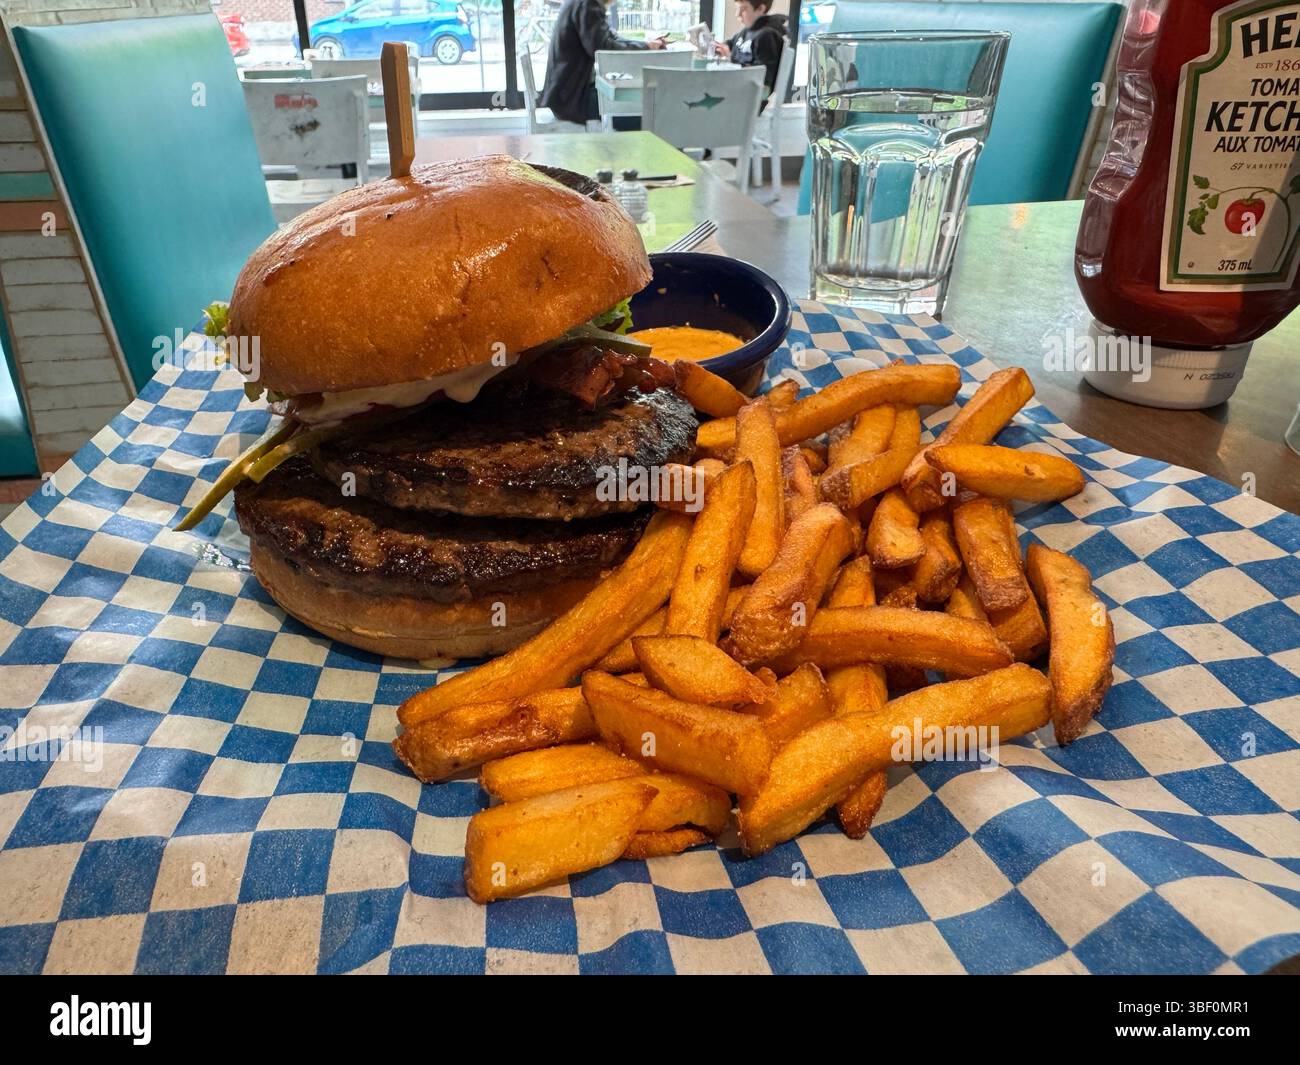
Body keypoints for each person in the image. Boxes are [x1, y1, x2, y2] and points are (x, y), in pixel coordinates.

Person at [540, 0, 667, 126]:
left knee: (651, 113)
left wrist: (647, 44)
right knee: (654, 118)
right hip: (573, 99)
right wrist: (646, 47)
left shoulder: (583, 4)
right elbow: (604, 48)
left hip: (567, 95)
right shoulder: (587, 5)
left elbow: (612, 39)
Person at [716, 0, 788, 99]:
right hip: (737, 91)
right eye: (737, 8)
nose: (738, 14)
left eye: (744, 9)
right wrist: (714, 45)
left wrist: (731, 59)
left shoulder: (767, 36)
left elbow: (763, 78)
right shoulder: (746, 31)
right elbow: (729, 44)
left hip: (750, 99)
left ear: (761, 9)